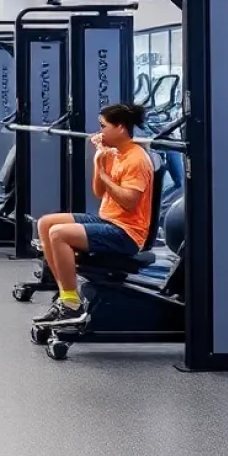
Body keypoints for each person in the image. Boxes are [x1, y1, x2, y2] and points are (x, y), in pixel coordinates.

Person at [32, 103, 154, 327]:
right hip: (108, 220)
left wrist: (105, 176)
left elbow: (129, 202)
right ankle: (66, 296)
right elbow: (99, 192)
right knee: (45, 224)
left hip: (126, 233)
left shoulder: (136, 159)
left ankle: (71, 305)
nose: (99, 132)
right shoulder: (115, 153)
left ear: (120, 127)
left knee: (58, 234)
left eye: (103, 126)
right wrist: (100, 159)